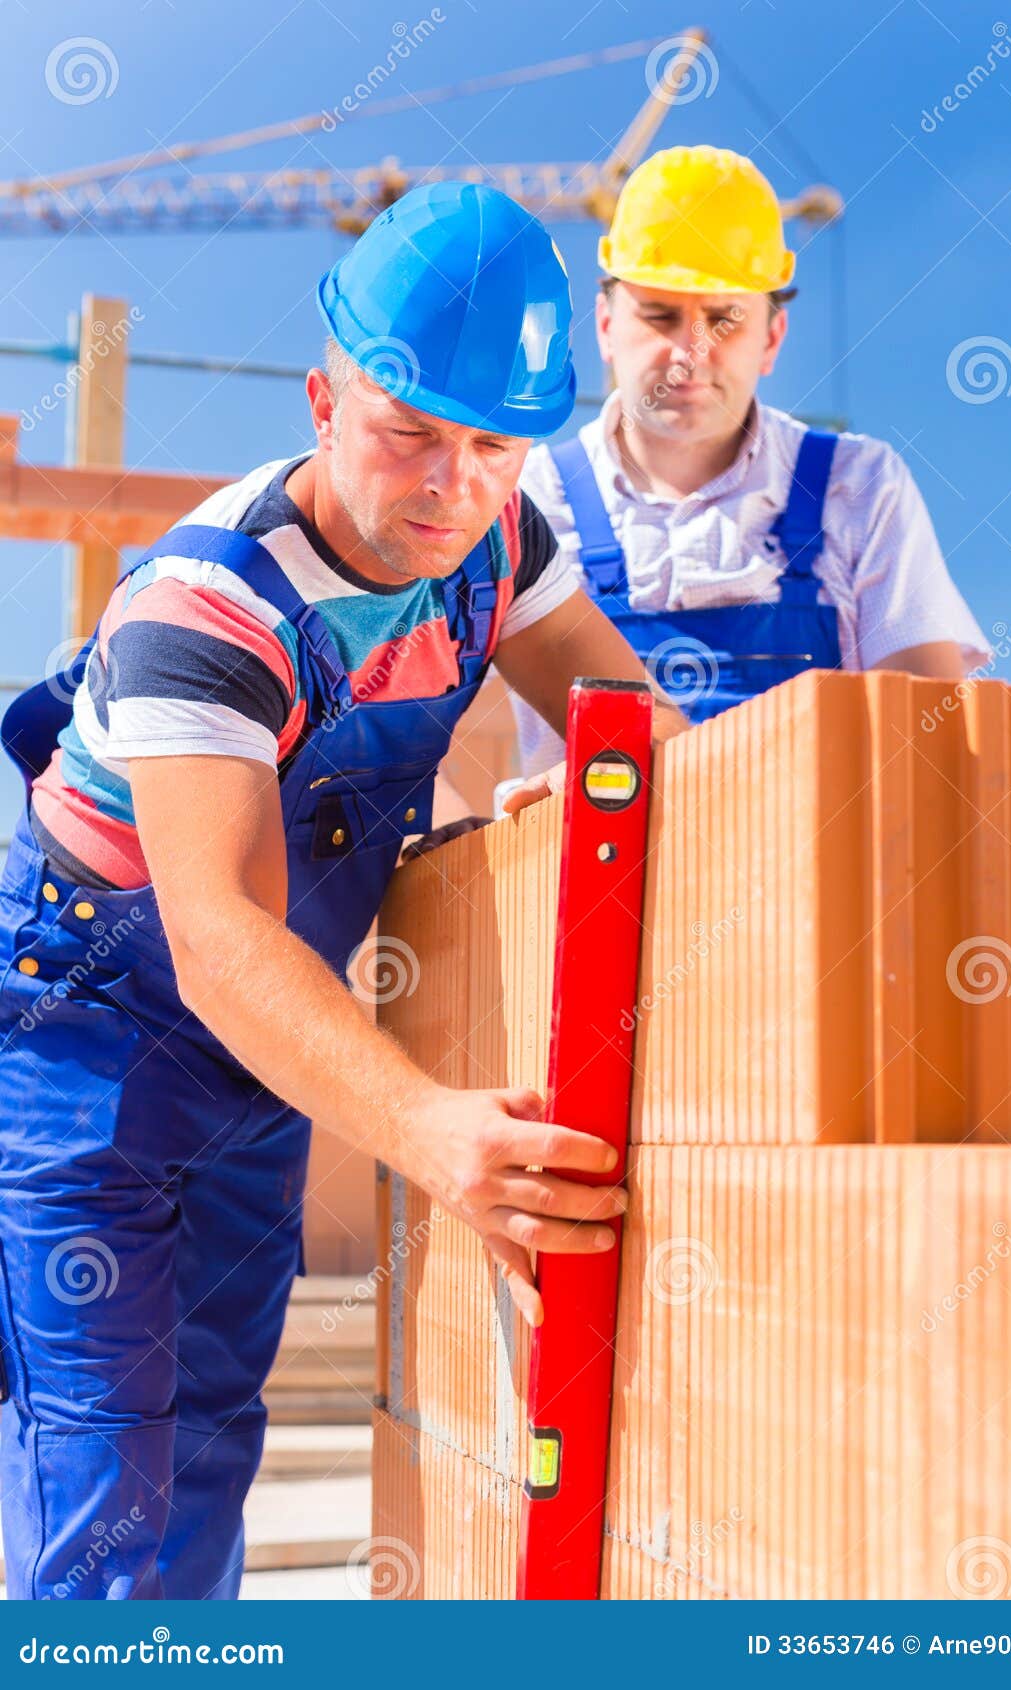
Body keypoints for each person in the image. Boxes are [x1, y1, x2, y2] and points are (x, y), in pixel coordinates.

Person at [0, 182, 685, 1601]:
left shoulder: (500, 547)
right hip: (86, 1031)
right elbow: (218, 936)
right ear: (323, 398)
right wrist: (429, 1129)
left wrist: (599, 796)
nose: (452, 486)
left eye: (495, 443)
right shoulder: (212, 607)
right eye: (409, 434)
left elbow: (631, 725)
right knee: (107, 1479)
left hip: (262, 1063)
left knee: (203, 1443)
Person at [501, 144, 990, 797]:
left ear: (771, 338)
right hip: (595, 891)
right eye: (660, 315)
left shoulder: (859, 487)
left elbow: (929, 746)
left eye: (724, 318)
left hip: (819, 888)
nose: (690, 350)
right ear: (605, 326)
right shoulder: (526, 502)